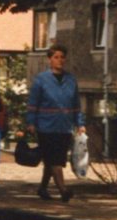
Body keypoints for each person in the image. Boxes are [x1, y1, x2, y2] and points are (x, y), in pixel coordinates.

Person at [24, 44, 86, 202]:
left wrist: (80, 123)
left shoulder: (71, 80)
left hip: (64, 127)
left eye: (62, 57)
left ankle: (43, 188)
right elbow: (33, 103)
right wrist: (31, 122)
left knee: (52, 160)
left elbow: (76, 104)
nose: (60, 60)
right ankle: (63, 190)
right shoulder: (41, 80)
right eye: (56, 57)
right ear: (50, 59)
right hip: (45, 126)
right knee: (55, 160)